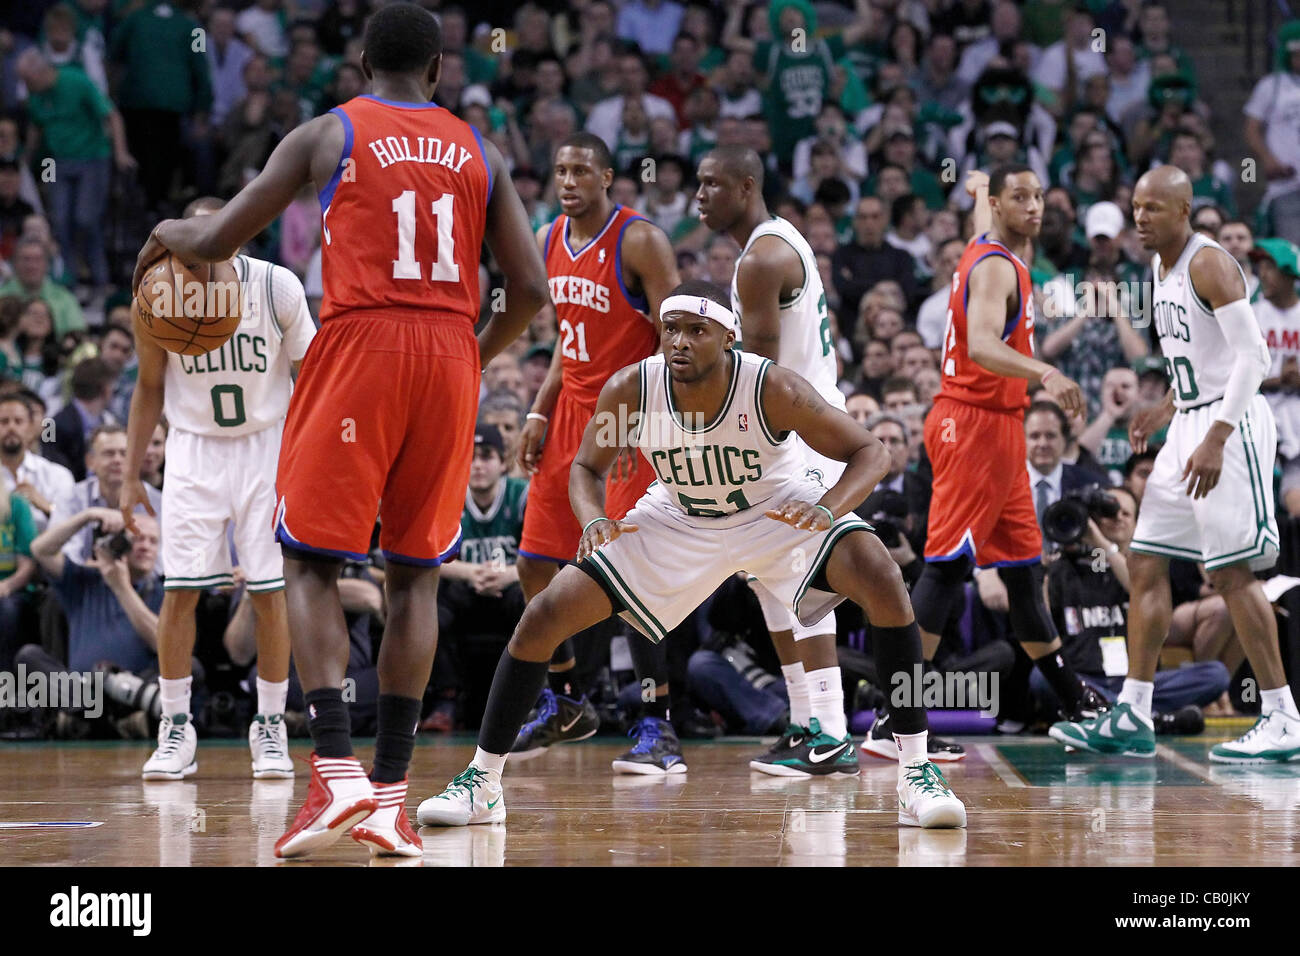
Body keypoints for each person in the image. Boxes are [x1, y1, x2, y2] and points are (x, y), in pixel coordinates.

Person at [131, 3, 548, 858]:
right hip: (447, 356)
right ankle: (391, 795)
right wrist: (471, 351)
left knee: (310, 560)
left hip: (360, 342)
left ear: (361, 65)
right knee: (416, 576)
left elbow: (215, 236)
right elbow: (532, 291)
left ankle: (334, 768)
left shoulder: (328, 135)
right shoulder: (482, 150)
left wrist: (161, 232)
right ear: (438, 71)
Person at [419, 281, 966, 828]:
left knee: (882, 575)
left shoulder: (771, 386)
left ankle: (915, 769)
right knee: (543, 614)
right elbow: (586, 467)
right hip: (678, 518)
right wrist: (593, 521)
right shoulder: (633, 388)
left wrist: (828, 509)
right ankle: (482, 783)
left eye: (696, 331)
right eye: (671, 329)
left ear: (728, 337)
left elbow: (872, 452)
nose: (679, 342)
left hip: (775, 510)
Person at [1051, 165, 1300, 762]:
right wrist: (1166, 406)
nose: (1140, 217)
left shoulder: (1209, 263)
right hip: (1191, 420)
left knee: (1234, 573)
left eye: (1153, 209)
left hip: (1229, 426)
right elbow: (1200, 356)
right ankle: (1133, 711)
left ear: (1183, 211)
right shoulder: (1158, 269)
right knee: (1145, 561)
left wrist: (1214, 435)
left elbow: (1253, 358)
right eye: (1135, 207)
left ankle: (1283, 715)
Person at [120, 196, 316, 781]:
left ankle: (271, 725)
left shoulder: (277, 287)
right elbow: (149, 388)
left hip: (268, 445)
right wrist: (132, 474)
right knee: (180, 591)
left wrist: (314, 459)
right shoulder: (158, 294)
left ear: (238, 238)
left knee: (269, 591)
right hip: (192, 450)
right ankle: (176, 726)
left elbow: (311, 378)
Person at [911, 163, 1104, 740]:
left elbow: (979, 213)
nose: (1035, 206)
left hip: (999, 426)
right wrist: (1045, 370)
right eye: (1019, 197)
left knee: (1022, 574)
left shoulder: (983, 242)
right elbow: (984, 345)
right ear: (1001, 206)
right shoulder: (996, 267)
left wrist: (976, 190)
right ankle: (898, 715)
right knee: (946, 569)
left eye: (1040, 196)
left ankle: (1076, 702)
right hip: (973, 424)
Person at [509, 132, 682, 772]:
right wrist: (538, 409)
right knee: (534, 563)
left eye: (581, 169)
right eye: (560, 169)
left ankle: (656, 721)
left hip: (625, 418)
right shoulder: (552, 236)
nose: (569, 179)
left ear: (608, 177)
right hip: (570, 420)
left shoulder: (640, 240)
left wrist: (647, 422)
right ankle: (568, 698)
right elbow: (566, 338)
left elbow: (677, 338)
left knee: (630, 572)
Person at [695, 143, 866, 773]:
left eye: (712, 184)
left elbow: (756, 372)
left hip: (803, 436)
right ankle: (804, 723)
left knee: (797, 579)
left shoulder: (762, 259)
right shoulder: (776, 241)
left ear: (745, 186)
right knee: (772, 584)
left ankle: (832, 733)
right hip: (797, 427)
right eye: (697, 184)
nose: (700, 196)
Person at [1043, 485, 1228, 726]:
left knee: (1215, 674)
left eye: (1126, 514)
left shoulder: (1147, 566)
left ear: (1137, 523)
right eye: (1110, 513)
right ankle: (1147, 717)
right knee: (1042, 677)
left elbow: (1139, 589)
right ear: (1093, 520)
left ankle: (1108, 713)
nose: (1118, 518)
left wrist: (1104, 546)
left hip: (1137, 682)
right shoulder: (1063, 569)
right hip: (1085, 679)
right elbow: (1044, 624)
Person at [432, 424, 529, 731]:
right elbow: (429, 556)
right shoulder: (450, 497)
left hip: (511, 588)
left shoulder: (522, 495)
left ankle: (534, 699)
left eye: (486, 456)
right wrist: (472, 572)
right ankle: (445, 699)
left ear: (504, 462)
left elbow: (549, 556)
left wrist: (509, 574)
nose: (477, 464)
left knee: (536, 600)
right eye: (471, 456)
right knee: (431, 604)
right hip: (466, 591)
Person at [0, 392, 74, 533]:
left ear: (30, 427)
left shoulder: (57, 475)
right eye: (3, 421)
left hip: (46, 552)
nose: (11, 427)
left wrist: (44, 505)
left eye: (18, 421)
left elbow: (73, 526)